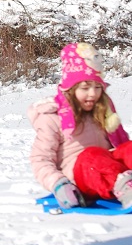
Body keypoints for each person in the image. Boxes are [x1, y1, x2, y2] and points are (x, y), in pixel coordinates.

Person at [28, 41, 132, 210]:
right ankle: (126, 189)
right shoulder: (53, 118)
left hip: (110, 168)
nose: (93, 94)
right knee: (92, 155)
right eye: (85, 88)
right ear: (71, 88)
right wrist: (59, 184)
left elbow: (122, 146)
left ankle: (123, 181)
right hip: (81, 178)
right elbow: (40, 160)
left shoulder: (103, 110)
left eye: (98, 87)